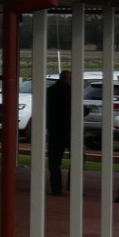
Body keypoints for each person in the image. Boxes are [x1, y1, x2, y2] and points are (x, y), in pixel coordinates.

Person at [44, 68, 75, 197]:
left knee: (55, 161)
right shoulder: (72, 92)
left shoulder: (50, 91)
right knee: (78, 159)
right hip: (70, 130)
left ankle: (56, 188)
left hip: (55, 130)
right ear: (69, 79)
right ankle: (74, 186)